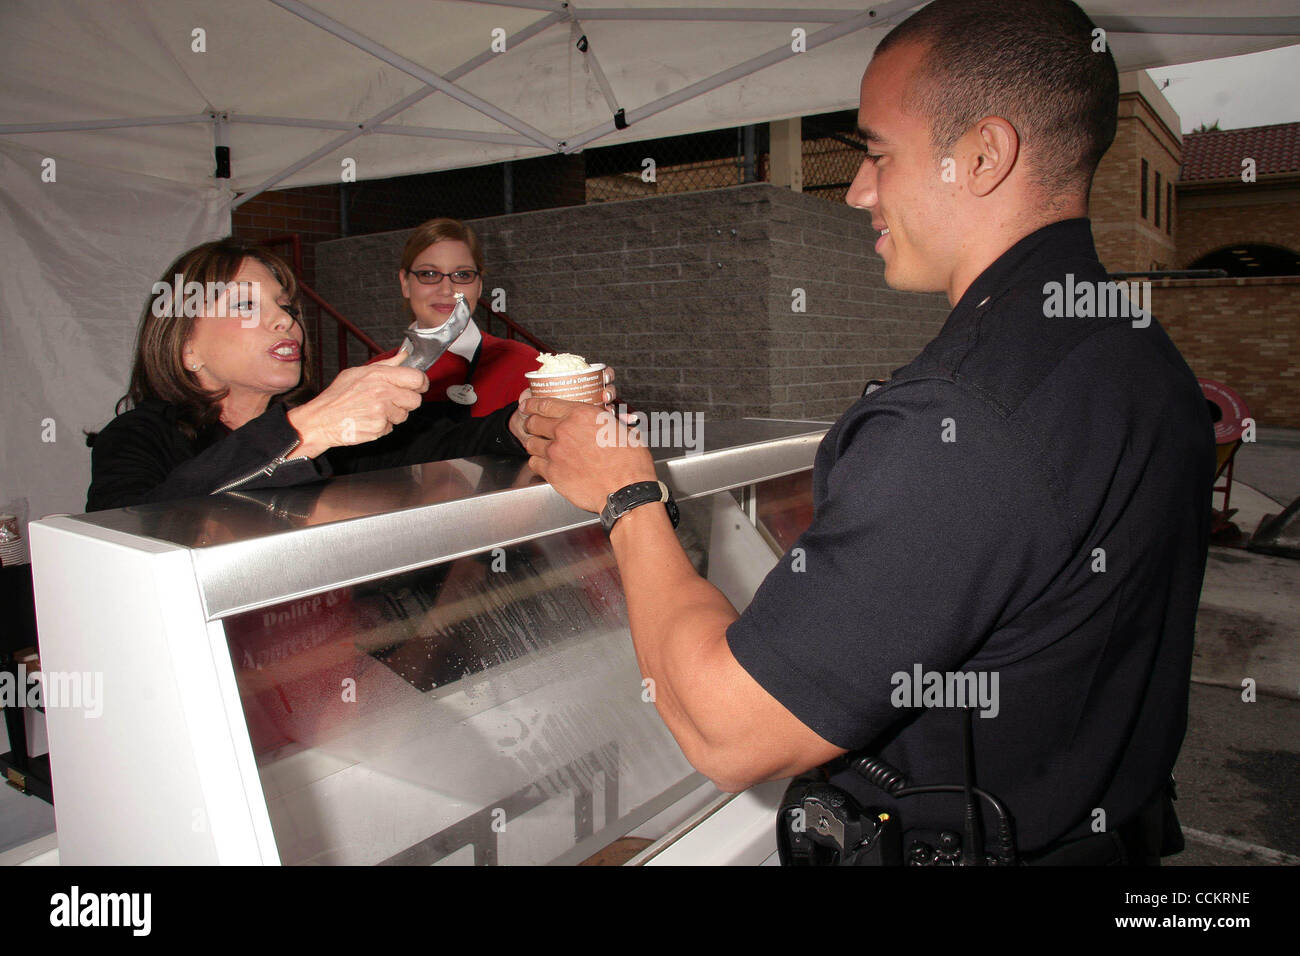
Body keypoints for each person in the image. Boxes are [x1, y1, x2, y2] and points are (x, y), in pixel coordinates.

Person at [517, 0, 1215, 864]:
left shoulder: (967, 417)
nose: (857, 191)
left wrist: (625, 493)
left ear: (984, 155)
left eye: (878, 154)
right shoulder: (1135, 349)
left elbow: (728, 730)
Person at [86, 238, 537, 512]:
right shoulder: (135, 437)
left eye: (286, 306)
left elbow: (438, 447)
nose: (285, 321)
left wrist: (518, 424)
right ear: (186, 348)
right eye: (246, 305)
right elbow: (130, 537)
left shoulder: (320, 426)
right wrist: (306, 431)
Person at [367, 218, 541, 419]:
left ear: (479, 285)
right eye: (429, 274)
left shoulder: (525, 366)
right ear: (405, 283)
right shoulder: (371, 376)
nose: (447, 289)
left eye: (462, 275)